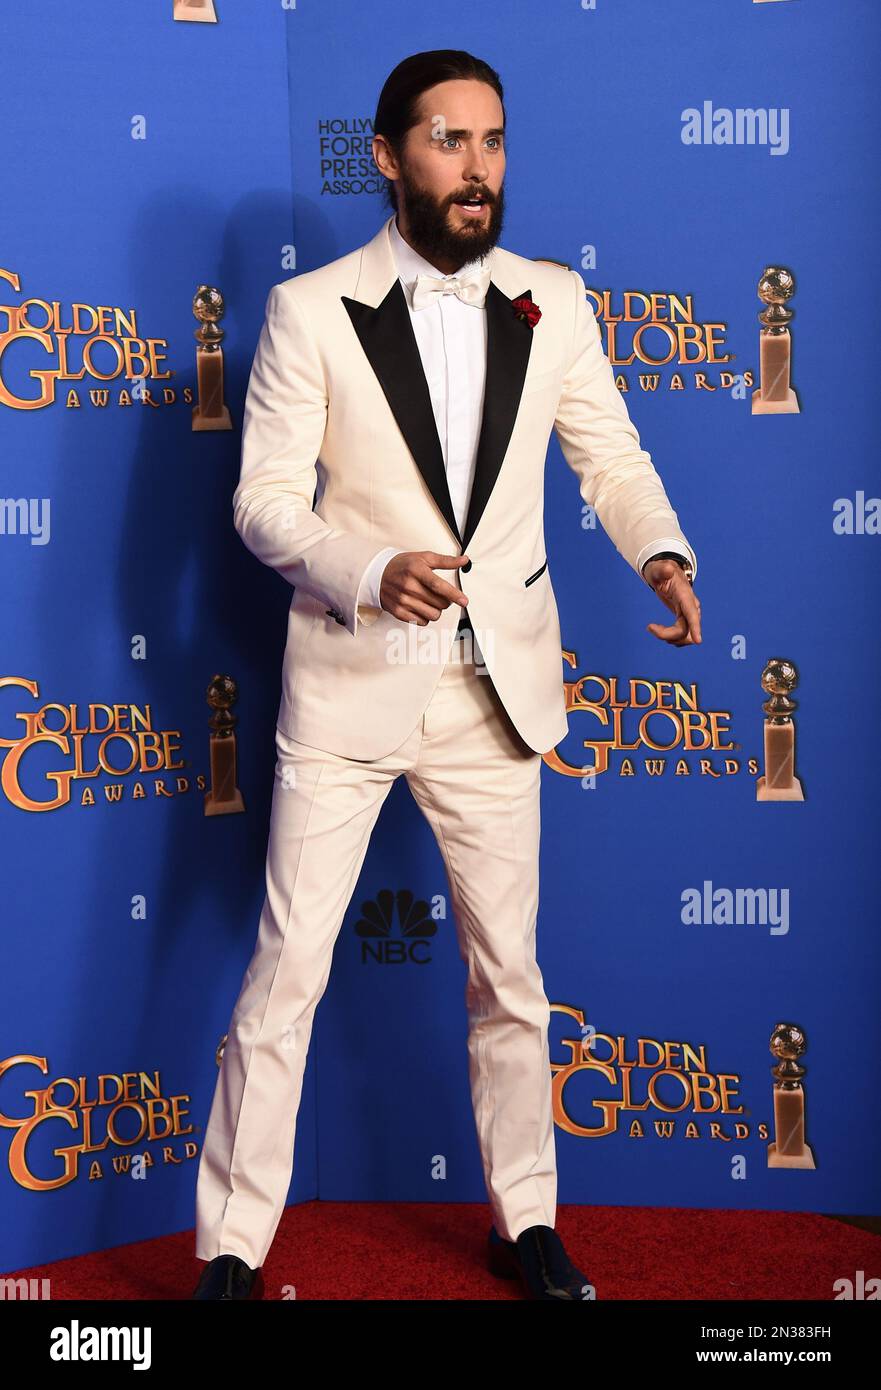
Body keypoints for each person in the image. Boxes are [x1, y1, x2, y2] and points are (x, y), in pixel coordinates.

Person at [192, 48, 701, 1302]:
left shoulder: (555, 301)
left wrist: (659, 551)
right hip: (350, 683)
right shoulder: (311, 312)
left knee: (509, 984)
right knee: (283, 978)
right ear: (385, 156)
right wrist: (366, 566)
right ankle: (232, 1250)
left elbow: (612, 456)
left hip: (497, 695)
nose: (475, 170)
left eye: (491, 142)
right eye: (445, 141)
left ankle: (523, 1221)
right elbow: (261, 503)